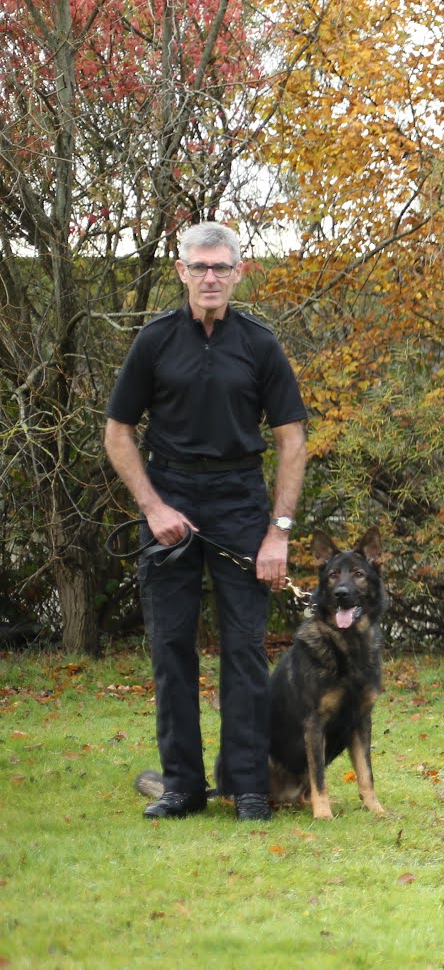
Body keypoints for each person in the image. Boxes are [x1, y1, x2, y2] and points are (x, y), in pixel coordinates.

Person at [105, 222, 308, 822]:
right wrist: (152, 506)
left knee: (244, 650)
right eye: (200, 267)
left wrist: (279, 530)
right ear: (182, 272)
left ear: (240, 272)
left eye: (222, 267)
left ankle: (247, 787)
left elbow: (292, 442)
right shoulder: (155, 342)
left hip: (240, 499)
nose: (211, 277)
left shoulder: (260, 345)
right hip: (168, 497)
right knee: (171, 649)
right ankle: (183, 787)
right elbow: (118, 433)